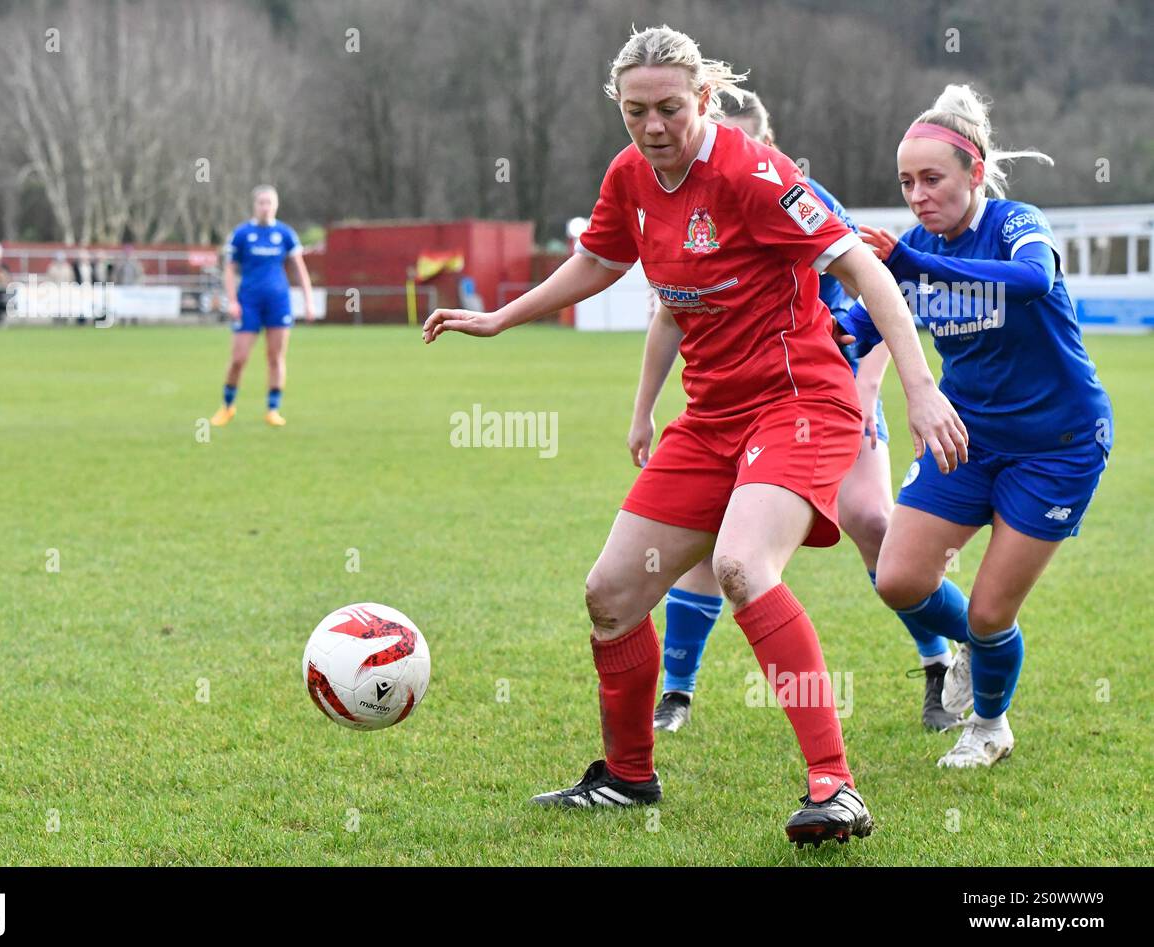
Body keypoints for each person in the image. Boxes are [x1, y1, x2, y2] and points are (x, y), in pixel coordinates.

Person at [423, 25, 967, 844]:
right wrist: (504, 317)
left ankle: (837, 787)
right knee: (610, 594)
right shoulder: (630, 177)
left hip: (799, 403)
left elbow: (863, 267)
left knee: (742, 565)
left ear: (704, 100)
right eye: (635, 110)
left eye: (670, 108)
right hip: (711, 417)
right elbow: (601, 261)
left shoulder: (754, 173)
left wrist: (918, 386)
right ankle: (628, 778)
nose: (652, 127)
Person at [646, 92, 962, 735]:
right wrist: (643, 407)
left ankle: (944, 659)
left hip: (825, 397)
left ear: (763, 143)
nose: (710, 153)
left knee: (873, 519)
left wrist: (869, 387)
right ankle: (676, 693)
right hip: (738, 404)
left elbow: (879, 288)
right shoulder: (685, 203)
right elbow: (668, 310)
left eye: (729, 139)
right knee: (713, 542)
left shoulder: (795, 196)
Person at [839, 85, 1112, 769]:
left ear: (976, 173)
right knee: (897, 580)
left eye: (932, 178)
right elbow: (858, 328)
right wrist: (809, 330)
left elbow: (1029, 283)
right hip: (966, 437)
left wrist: (915, 264)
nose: (917, 194)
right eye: (906, 181)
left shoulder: (1018, 223)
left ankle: (989, 726)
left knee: (993, 612)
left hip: (1058, 447)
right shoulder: (912, 249)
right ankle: (979, 652)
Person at [210, 184, 315, 428]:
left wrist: (308, 301)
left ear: (276, 205)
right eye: (261, 202)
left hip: (278, 303)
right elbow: (229, 269)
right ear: (254, 205)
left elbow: (299, 269)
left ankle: (273, 409)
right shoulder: (242, 234)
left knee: (276, 357)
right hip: (248, 303)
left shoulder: (286, 234)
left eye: (270, 202)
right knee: (238, 358)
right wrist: (232, 301)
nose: (265, 207)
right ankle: (227, 406)